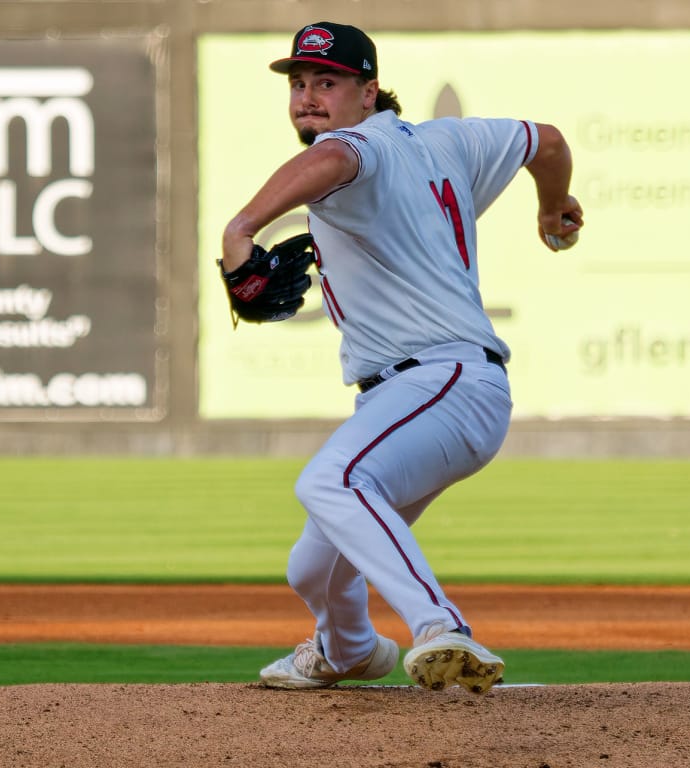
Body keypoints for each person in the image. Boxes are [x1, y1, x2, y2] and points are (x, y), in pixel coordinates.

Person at [221, 21, 582, 694]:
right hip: (420, 393)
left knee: (331, 482)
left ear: (369, 91)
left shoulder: (358, 145)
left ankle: (441, 627)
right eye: (298, 83)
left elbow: (333, 161)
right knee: (314, 568)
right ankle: (348, 649)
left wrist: (241, 228)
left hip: (443, 381)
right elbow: (549, 142)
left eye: (327, 82)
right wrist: (553, 204)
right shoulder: (452, 140)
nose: (307, 96)